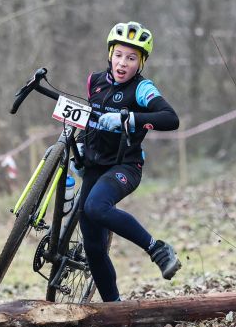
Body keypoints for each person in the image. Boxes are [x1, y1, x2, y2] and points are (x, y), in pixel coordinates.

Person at [74, 21, 181, 302]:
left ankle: (157, 248)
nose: (123, 63)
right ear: (110, 54)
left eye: (131, 58)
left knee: (96, 207)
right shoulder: (94, 81)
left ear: (140, 62)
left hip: (124, 166)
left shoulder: (142, 89)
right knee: (94, 246)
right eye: (119, 55)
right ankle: (114, 308)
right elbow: (89, 118)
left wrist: (130, 118)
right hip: (95, 167)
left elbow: (171, 119)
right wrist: (83, 145)